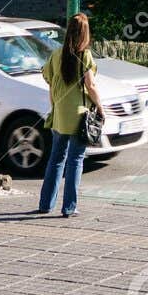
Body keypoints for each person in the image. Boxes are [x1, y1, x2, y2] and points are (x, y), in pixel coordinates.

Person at [37, 13, 107, 219]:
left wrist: (55, 104)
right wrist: (100, 108)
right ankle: (69, 207)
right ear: (85, 34)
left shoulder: (56, 54)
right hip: (79, 117)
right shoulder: (84, 56)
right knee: (76, 160)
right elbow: (91, 85)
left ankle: (45, 204)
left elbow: (48, 80)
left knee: (56, 160)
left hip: (59, 114)